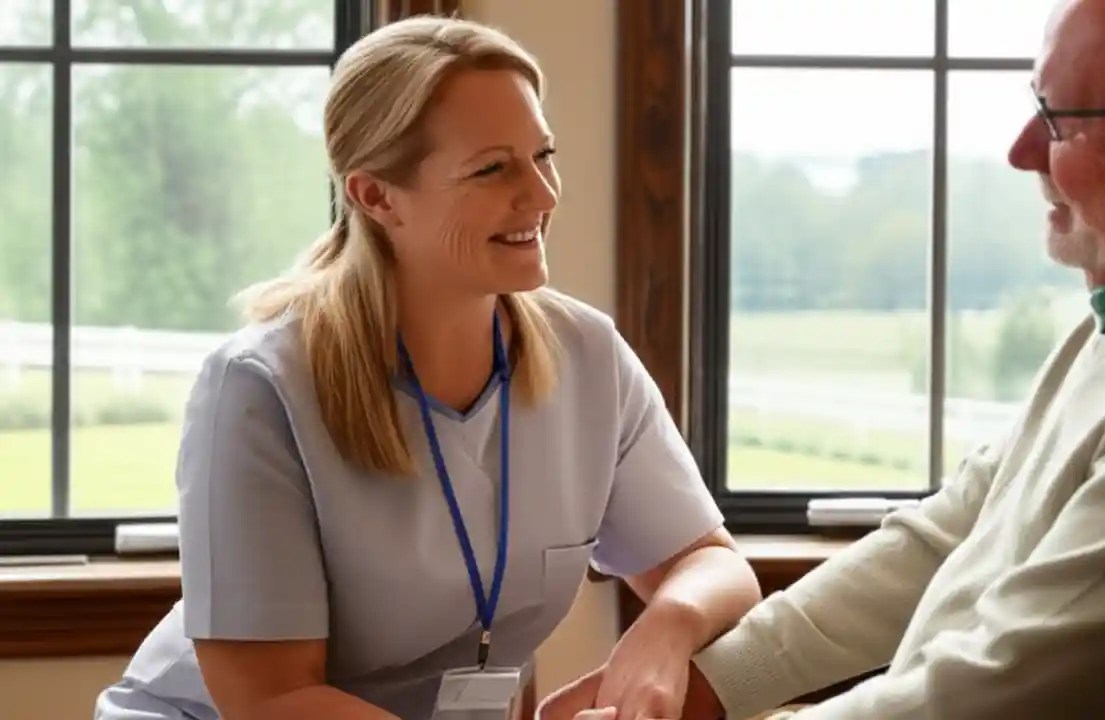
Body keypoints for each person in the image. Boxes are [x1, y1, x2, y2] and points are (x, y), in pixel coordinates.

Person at [540, 0, 1105, 718]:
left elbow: (1008, 691)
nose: (1022, 151)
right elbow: (946, 534)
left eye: (1061, 121)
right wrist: (713, 685)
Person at [94, 15, 761, 720]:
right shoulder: (259, 389)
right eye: (493, 168)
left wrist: (664, 630)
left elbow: (712, 564)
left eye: (544, 154)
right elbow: (272, 698)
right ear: (376, 196)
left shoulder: (589, 357)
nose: (541, 194)